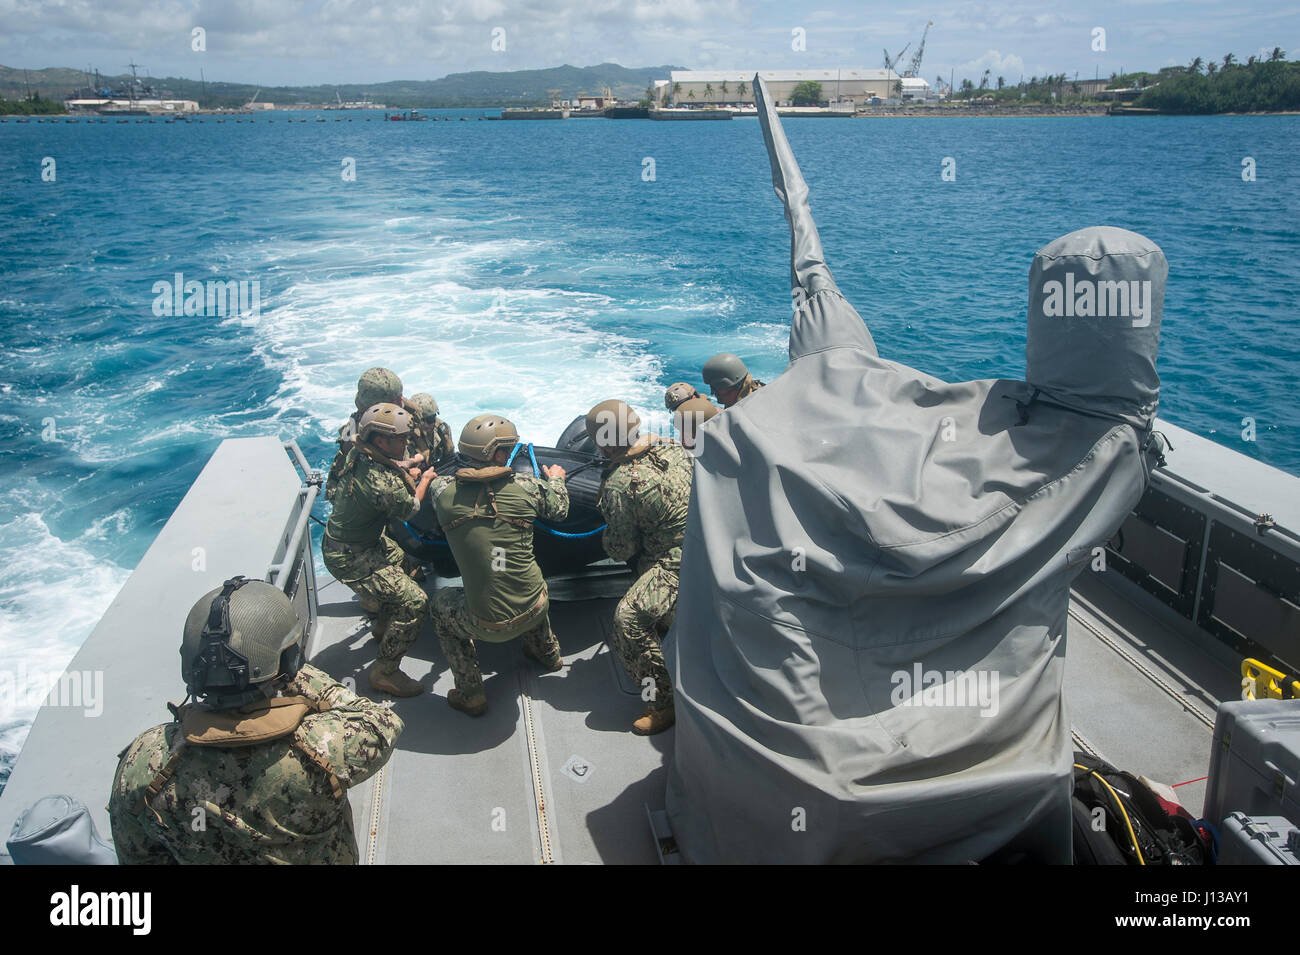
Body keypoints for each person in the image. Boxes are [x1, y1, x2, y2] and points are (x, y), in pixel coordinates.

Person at [665, 76, 1169, 863]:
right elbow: (1114, 431)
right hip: (1005, 771)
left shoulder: (741, 437)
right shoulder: (1078, 450)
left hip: (797, 775)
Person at [108, 576, 404, 864]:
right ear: (288, 661)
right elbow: (382, 721)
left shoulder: (145, 762)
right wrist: (298, 673)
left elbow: (139, 854)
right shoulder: (321, 747)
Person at [428, 414, 568, 716]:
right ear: (498, 455)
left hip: (487, 626)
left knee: (440, 604)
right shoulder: (528, 488)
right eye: (507, 449)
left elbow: (439, 487)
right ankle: (550, 655)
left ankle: (471, 694)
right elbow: (560, 509)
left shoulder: (441, 492)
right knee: (523, 578)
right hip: (537, 605)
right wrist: (556, 478)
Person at [586, 399, 693, 735]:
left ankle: (662, 702)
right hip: (707, 548)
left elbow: (621, 550)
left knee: (627, 621)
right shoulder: (674, 448)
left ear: (603, 444)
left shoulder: (619, 483)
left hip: (676, 567)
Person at [322, 402, 436, 697]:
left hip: (357, 540)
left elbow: (387, 467)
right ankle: (385, 672)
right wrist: (424, 479)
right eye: (401, 439)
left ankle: (383, 627)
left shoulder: (359, 452)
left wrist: (406, 467)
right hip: (349, 555)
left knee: (403, 563)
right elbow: (410, 509)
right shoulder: (380, 482)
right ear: (381, 441)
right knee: (415, 602)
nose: (406, 443)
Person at [324, 367, 404, 503]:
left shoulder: (365, 418)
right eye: (396, 400)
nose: (401, 401)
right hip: (357, 497)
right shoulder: (356, 436)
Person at [407, 392, 457, 470]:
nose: (426, 425)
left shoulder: (442, 430)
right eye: (421, 420)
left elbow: (450, 457)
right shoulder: (406, 435)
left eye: (430, 420)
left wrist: (446, 441)